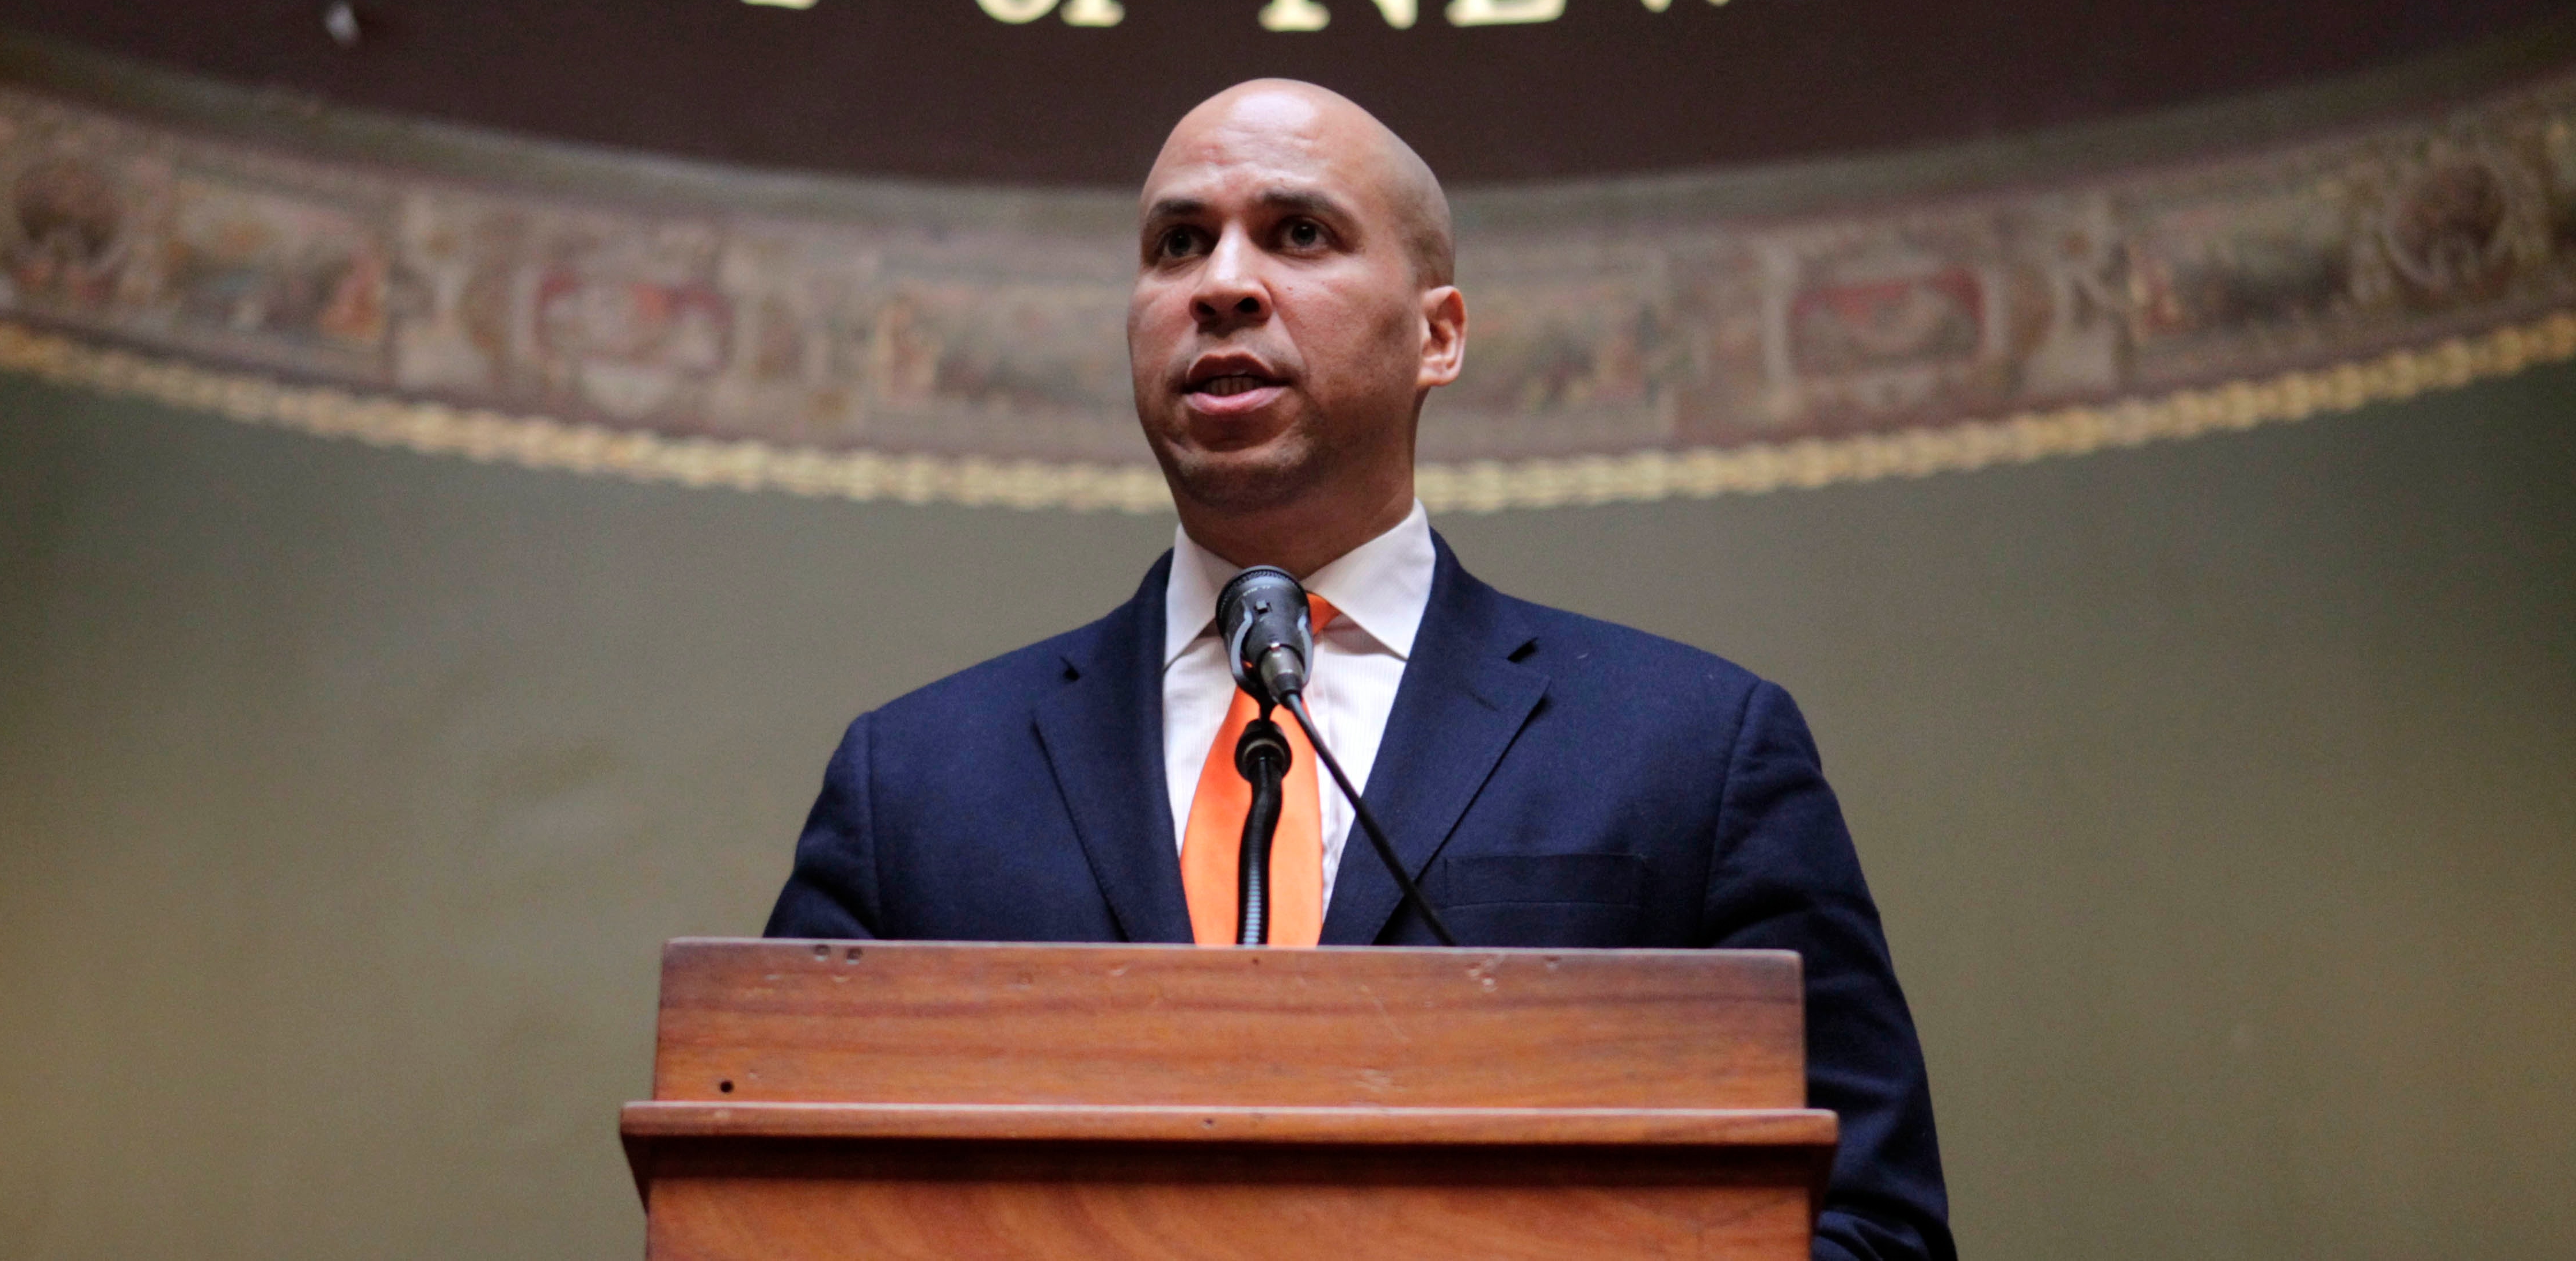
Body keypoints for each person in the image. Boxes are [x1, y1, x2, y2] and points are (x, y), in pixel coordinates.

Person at [766, 79, 1953, 1261]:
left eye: (1299, 234)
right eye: (1178, 244)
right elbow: (764, 1210)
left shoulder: (1693, 749)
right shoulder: (914, 783)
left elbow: (1871, 1228)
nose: (1222, 284)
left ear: (1437, 335)